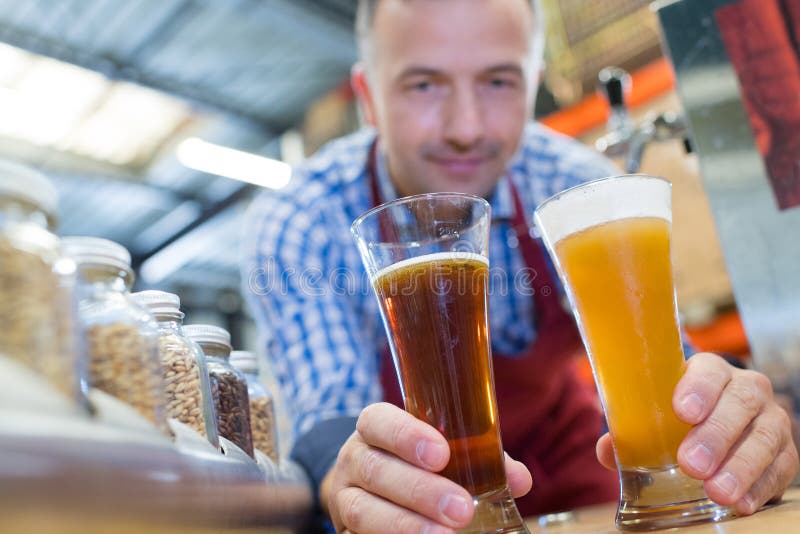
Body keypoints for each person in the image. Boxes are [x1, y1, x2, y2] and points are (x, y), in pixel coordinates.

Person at [241, 1, 799, 532]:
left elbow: (666, 371)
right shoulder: (301, 221)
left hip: (584, 484)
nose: (466, 126)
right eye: (424, 84)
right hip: (427, 508)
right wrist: (353, 480)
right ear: (367, 96)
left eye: (499, 82)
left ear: (532, 83)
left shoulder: (571, 185)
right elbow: (331, 424)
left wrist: (732, 429)